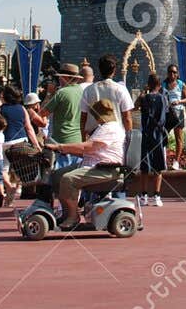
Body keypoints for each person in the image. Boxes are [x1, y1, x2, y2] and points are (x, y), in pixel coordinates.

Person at [44, 98, 125, 226]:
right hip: (95, 164)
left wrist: (60, 146)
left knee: (68, 179)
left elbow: (88, 147)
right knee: (57, 175)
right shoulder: (105, 127)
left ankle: (73, 216)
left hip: (105, 168)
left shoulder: (110, 128)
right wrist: (66, 150)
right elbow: (89, 150)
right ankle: (66, 213)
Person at [82, 54, 135, 137]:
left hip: (94, 136)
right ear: (114, 70)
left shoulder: (88, 90)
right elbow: (127, 118)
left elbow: (83, 117)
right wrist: (128, 138)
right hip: (115, 137)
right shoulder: (120, 89)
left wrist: (83, 138)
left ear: (99, 69)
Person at [136, 75, 169, 207]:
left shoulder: (144, 98)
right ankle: (157, 195)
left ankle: (144, 195)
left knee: (145, 167)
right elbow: (165, 115)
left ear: (148, 85)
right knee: (158, 167)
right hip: (158, 135)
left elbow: (135, 106)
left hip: (146, 134)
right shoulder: (162, 98)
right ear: (159, 85)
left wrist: (143, 92)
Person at [46, 65, 87, 170]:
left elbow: (42, 114)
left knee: (59, 176)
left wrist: (49, 94)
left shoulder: (62, 92)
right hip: (78, 142)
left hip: (61, 142)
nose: (59, 79)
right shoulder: (83, 92)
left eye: (60, 76)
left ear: (66, 77)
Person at [162, 64, 186, 169]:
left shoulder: (181, 84)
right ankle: (164, 160)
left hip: (178, 112)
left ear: (177, 74)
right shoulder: (163, 84)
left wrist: (179, 101)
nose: (172, 74)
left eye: (174, 72)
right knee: (163, 137)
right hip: (167, 113)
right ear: (167, 73)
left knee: (178, 138)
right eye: (170, 72)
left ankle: (176, 162)